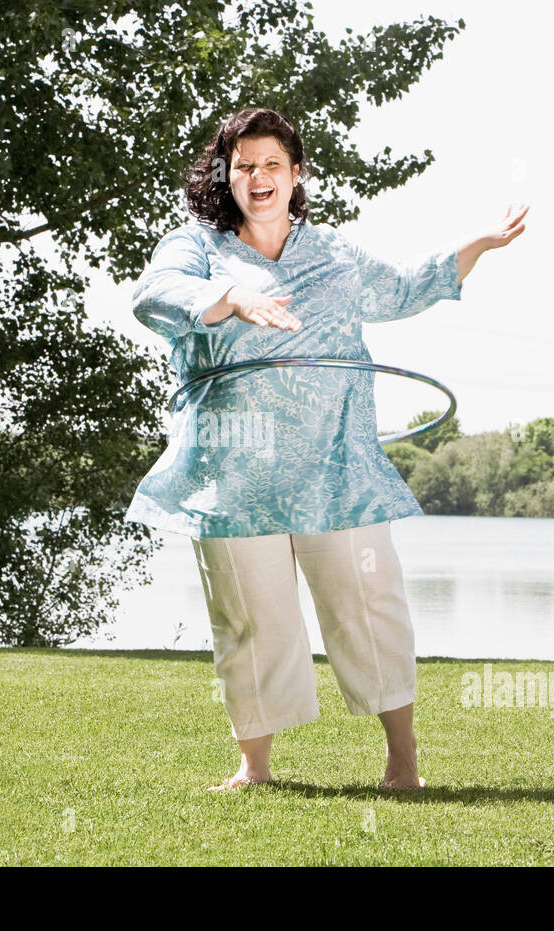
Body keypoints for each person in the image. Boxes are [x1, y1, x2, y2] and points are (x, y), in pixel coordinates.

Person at [126, 106, 528, 791]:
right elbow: (154, 297)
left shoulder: (332, 253)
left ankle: (403, 766)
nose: (259, 177)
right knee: (251, 620)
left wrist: (477, 245)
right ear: (226, 176)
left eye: (272, 164)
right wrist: (231, 298)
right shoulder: (196, 248)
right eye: (245, 165)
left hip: (336, 469)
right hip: (233, 473)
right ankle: (255, 769)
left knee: (369, 608)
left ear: (296, 174)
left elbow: (401, 288)